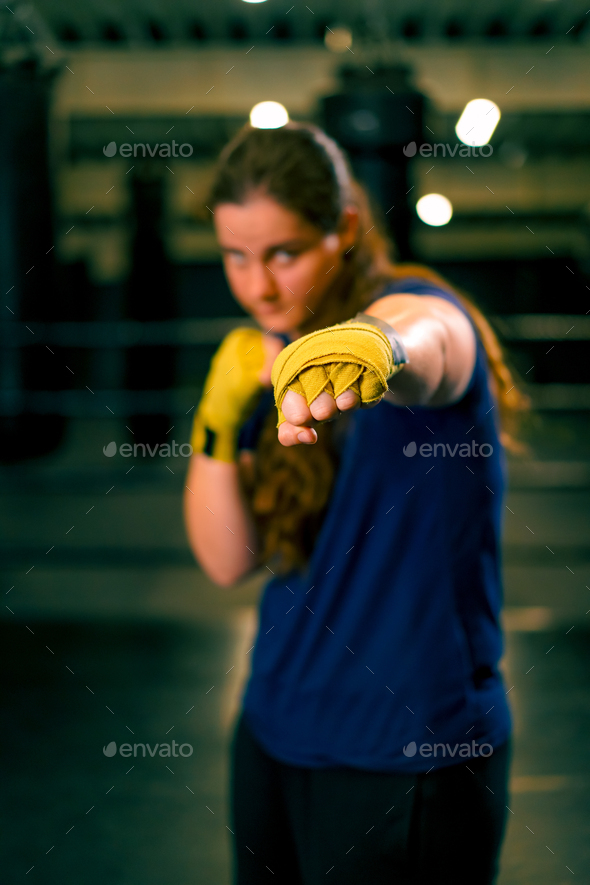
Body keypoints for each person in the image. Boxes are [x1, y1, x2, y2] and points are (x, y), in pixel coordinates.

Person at [183, 122, 527, 885]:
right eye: (235, 256)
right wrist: (215, 421)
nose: (259, 285)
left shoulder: (415, 307)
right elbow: (226, 560)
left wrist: (379, 343)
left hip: (408, 748)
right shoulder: (266, 359)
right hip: (274, 730)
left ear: (342, 229)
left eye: (284, 252)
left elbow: (435, 338)